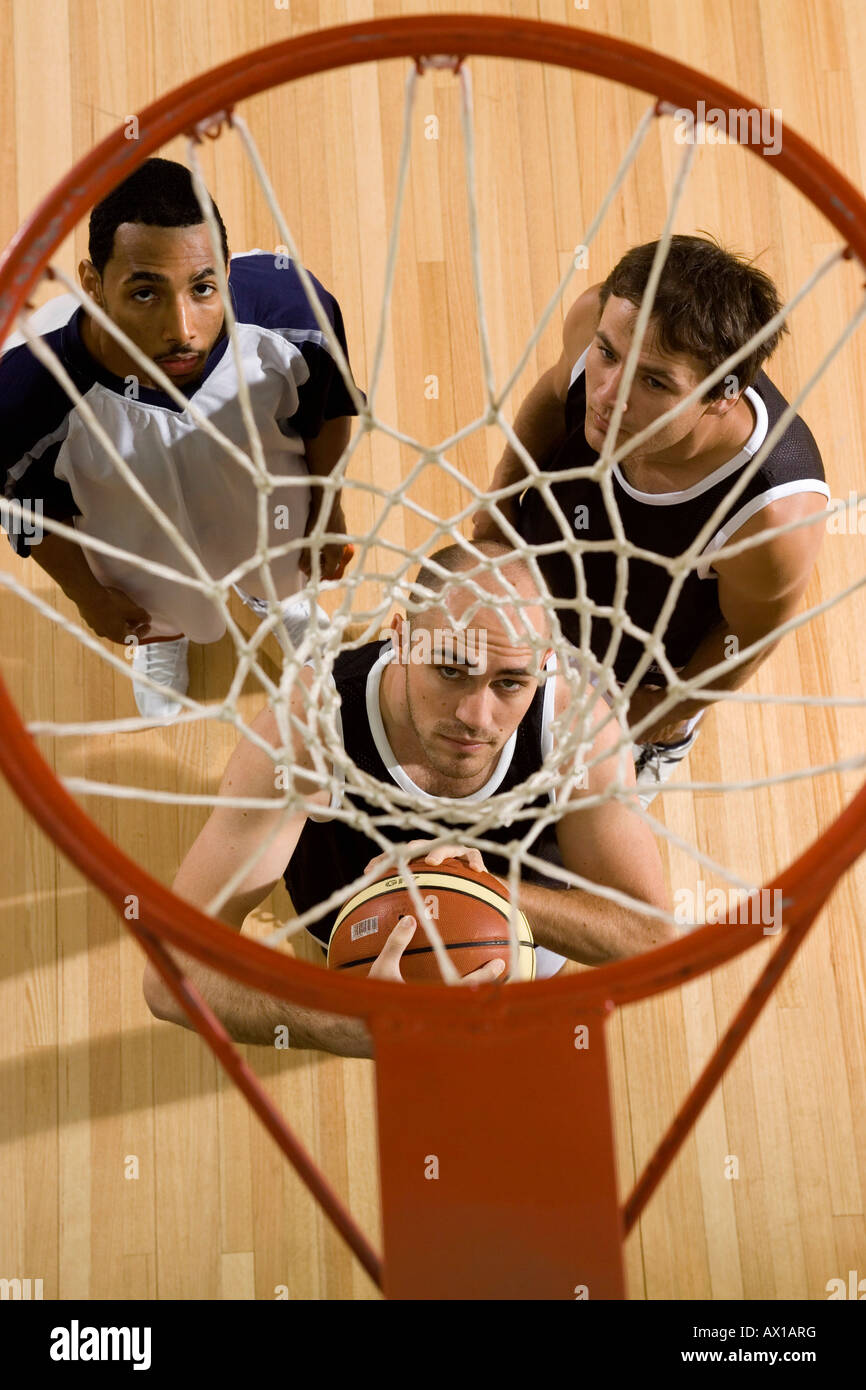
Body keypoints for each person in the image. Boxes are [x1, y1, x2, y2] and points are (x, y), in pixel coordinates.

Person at [142, 541, 673, 1058]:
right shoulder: (306, 728)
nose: (477, 717)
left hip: (522, 944)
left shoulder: (577, 728)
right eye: (450, 669)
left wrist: (488, 895)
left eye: (510, 682)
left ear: (544, 664)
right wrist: (336, 1025)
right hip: (359, 946)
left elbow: (652, 940)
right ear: (401, 638)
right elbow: (170, 978)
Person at [0, 158, 361, 718]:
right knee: (156, 605)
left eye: (203, 287)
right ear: (93, 284)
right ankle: (162, 639)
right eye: (146, 293)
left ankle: (276, 603)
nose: (183, 329)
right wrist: (86, 594)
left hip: (268, 510)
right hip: (132, 545)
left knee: (278, 565)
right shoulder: (22, 387)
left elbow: (331, 410)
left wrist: (330, 512)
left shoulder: (295, 311)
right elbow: (21, 507)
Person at [473, 236, 829, 801]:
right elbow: (551, 394)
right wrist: (498, 504)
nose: (608, 395)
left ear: (721, 396)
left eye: (655, 381)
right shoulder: (600, 313)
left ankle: (661, 748)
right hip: (552, 569)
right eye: (608, 354)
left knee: (582, 819)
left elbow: (749, 636)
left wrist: (659, 710)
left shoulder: (773, 514)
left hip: (641, 669)